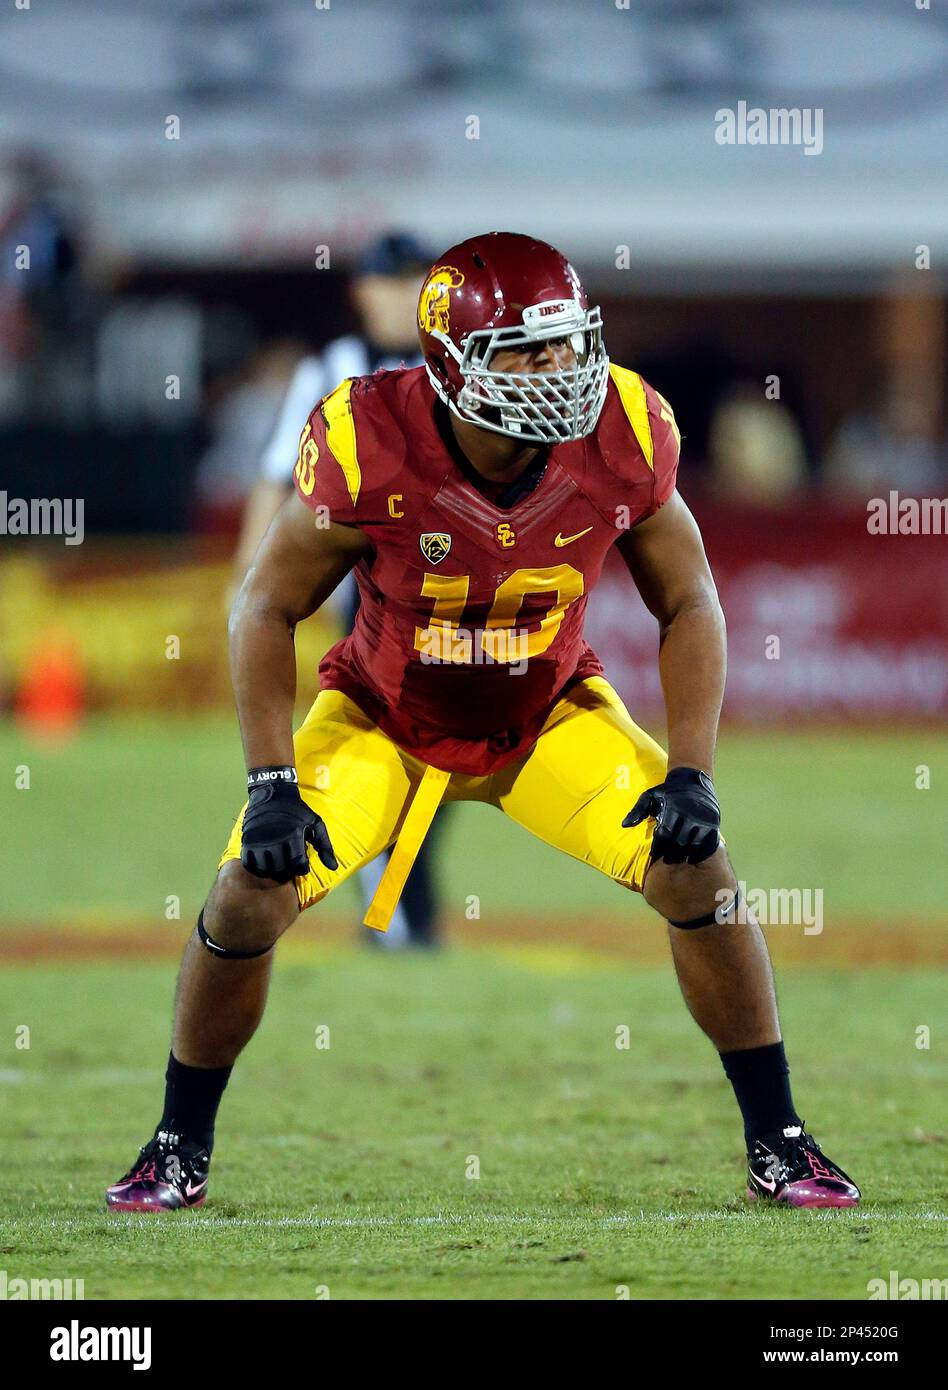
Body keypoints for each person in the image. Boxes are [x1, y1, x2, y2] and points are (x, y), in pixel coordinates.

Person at [107, 232, 860, 1213]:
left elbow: (692, 602)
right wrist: (268, 782)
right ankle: (177, 1143)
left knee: (698, 867)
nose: (562, 371)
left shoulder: (625, 425)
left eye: (569, 343)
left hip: (545, 717)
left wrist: (693, 772)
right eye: (527, 350)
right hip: (384, 719)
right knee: (249, 889)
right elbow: (265, 605)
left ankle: (781, 1139)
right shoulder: (369, 435)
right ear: (451, 360)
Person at [232, 229, 440, 949]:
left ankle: (401, 902)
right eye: (391, 282)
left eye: (414, 282)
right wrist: (252, 581)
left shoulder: (457, 368)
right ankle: (398, 916)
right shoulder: (330, 369)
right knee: (390, 743)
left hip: (452, 589)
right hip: (368, 586)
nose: (400, 297)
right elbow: (275, 474)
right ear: (363, 291)